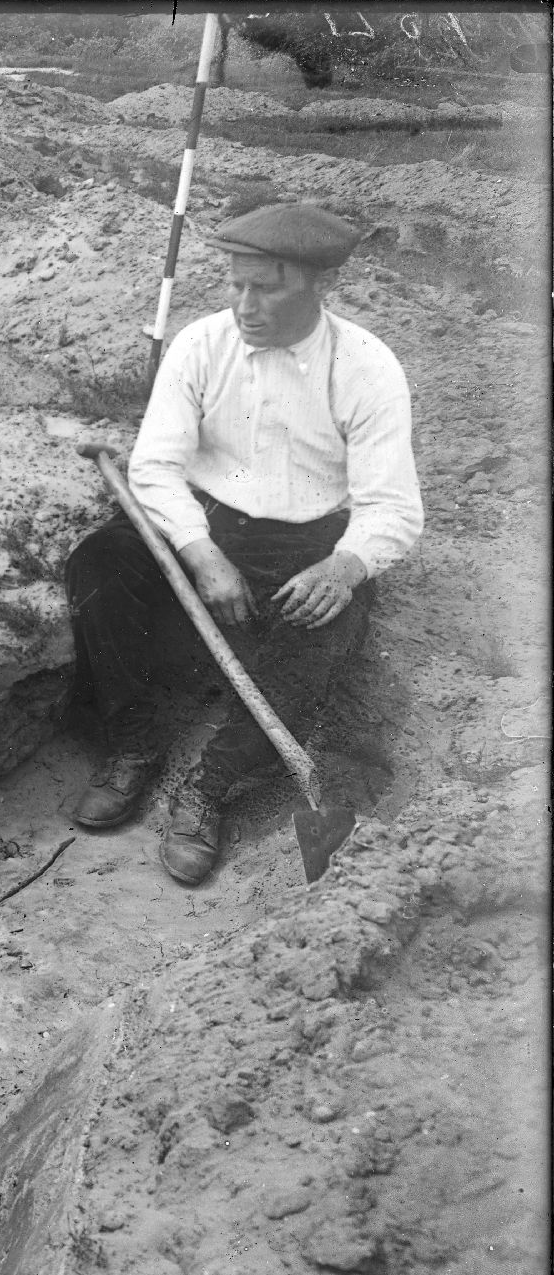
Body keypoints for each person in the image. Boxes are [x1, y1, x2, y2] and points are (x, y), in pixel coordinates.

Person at [63, 201, 422, 886]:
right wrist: (201, 553)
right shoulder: (202, 345)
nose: (244, 304)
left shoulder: (368, 369)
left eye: (267, 287)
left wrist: (346, 565)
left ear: (320, 286)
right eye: (236, 283)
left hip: (307, 539)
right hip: (202, 519)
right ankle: (135, 744)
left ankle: (209, 790)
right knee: (100, 563)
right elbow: (155, 469)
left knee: (322, 630)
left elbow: (393, 507)